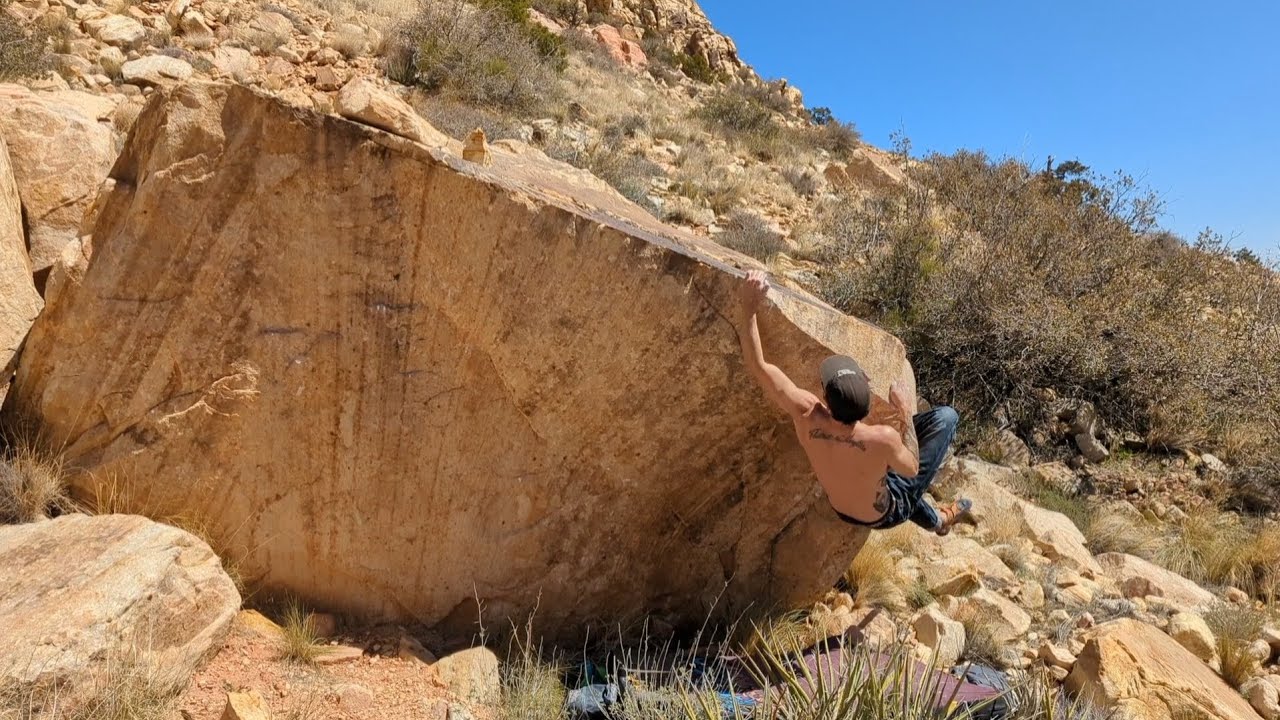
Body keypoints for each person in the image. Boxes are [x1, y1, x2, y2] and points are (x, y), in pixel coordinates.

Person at [735, 270, 975, 536]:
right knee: (947, 418)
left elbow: (758, 366)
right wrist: (905, 411)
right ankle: (940, 522)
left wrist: (748, 307)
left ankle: (939, 522)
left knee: (881, 476)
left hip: (841, 508)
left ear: (826, 400)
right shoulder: (883, 438)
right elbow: (912, 470)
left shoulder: (806, 415)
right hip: (885, 513)